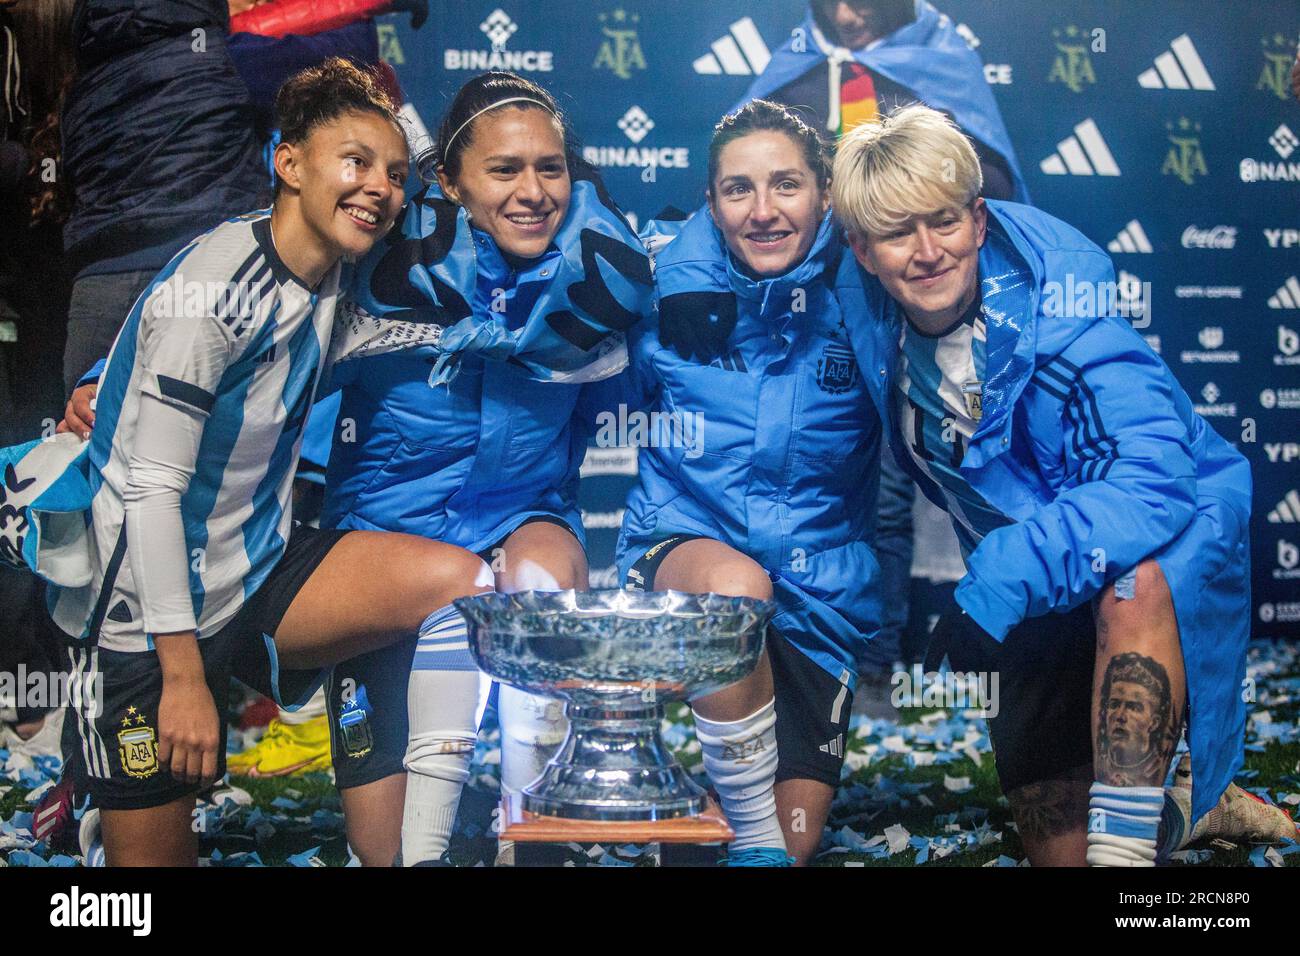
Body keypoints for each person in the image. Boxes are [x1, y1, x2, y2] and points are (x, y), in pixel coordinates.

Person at [32, 59, 492, 866]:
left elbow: (431, 208)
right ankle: (99, 790)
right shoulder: (218, 287)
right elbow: (150, 496)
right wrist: (182, 679)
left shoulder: (333, 273)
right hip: (146, 613)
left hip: (256, 572)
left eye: (390, 174)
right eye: (354, 163)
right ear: (287, 163)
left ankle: (412, 853)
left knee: (458, 582)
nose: (379, 188)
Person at [832, 104, 1297, 865]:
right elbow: (755, 220)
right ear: (861, 250)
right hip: (1039, 580)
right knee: (1059, 853)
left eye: (943, 222)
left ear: (979, 221)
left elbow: (1152, 484)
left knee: (1133, 584)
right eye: (894, 232)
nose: (925, 252)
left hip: (1143, 558)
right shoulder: (870, 321)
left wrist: (1000, 582)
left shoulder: (1070, 321)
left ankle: (1138, 845)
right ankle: (1183, 808)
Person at [328, 71, 654, 866]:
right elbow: (258, 321)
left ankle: (526, 830)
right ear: (448, 179)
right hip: (386, 542)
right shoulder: (379, 261)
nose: (534, 191)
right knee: (384, 850)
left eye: (551, 167)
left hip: (516, 519)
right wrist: (100, 379)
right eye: (504, 170)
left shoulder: (604, 276)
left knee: (542, 587)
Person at [608, 100, 883, 866]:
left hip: (821, 596)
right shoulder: (661, 289)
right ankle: (727, 812)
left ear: (826, 193)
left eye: (786, 185)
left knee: (791, 846)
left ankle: (698, 806)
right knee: (737, 588)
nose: (763, 211)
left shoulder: (874, 291)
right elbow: (557, 253)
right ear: (710, 203)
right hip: (685, 556)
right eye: (737, 190)